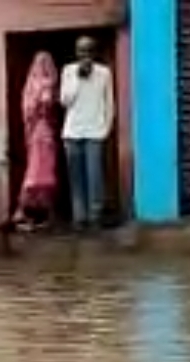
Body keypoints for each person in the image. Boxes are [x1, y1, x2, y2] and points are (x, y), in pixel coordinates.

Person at [59, 37, 114, 229]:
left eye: (89, 51)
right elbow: (65, 101)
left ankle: (95, 216)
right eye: (81, 51)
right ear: (76, 53)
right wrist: (77, 78)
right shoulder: (68, 71)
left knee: (94, 175)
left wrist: (105, 129)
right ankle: (79, 217)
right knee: (76, 178)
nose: (85, 55)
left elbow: (109, 103)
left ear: (94, 53)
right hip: (72, 132)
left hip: (95, 132)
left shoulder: (104, 73)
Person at [13, 52, 60, 229]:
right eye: (41, 64)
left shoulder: (34, 85)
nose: (44, 67)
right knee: (38, 174)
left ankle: (38, 214)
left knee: (42, 174)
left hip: (41, 132)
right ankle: (26, 212)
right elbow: (37, 108)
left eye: (46, 64)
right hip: (40, 133)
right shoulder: (38, 85)